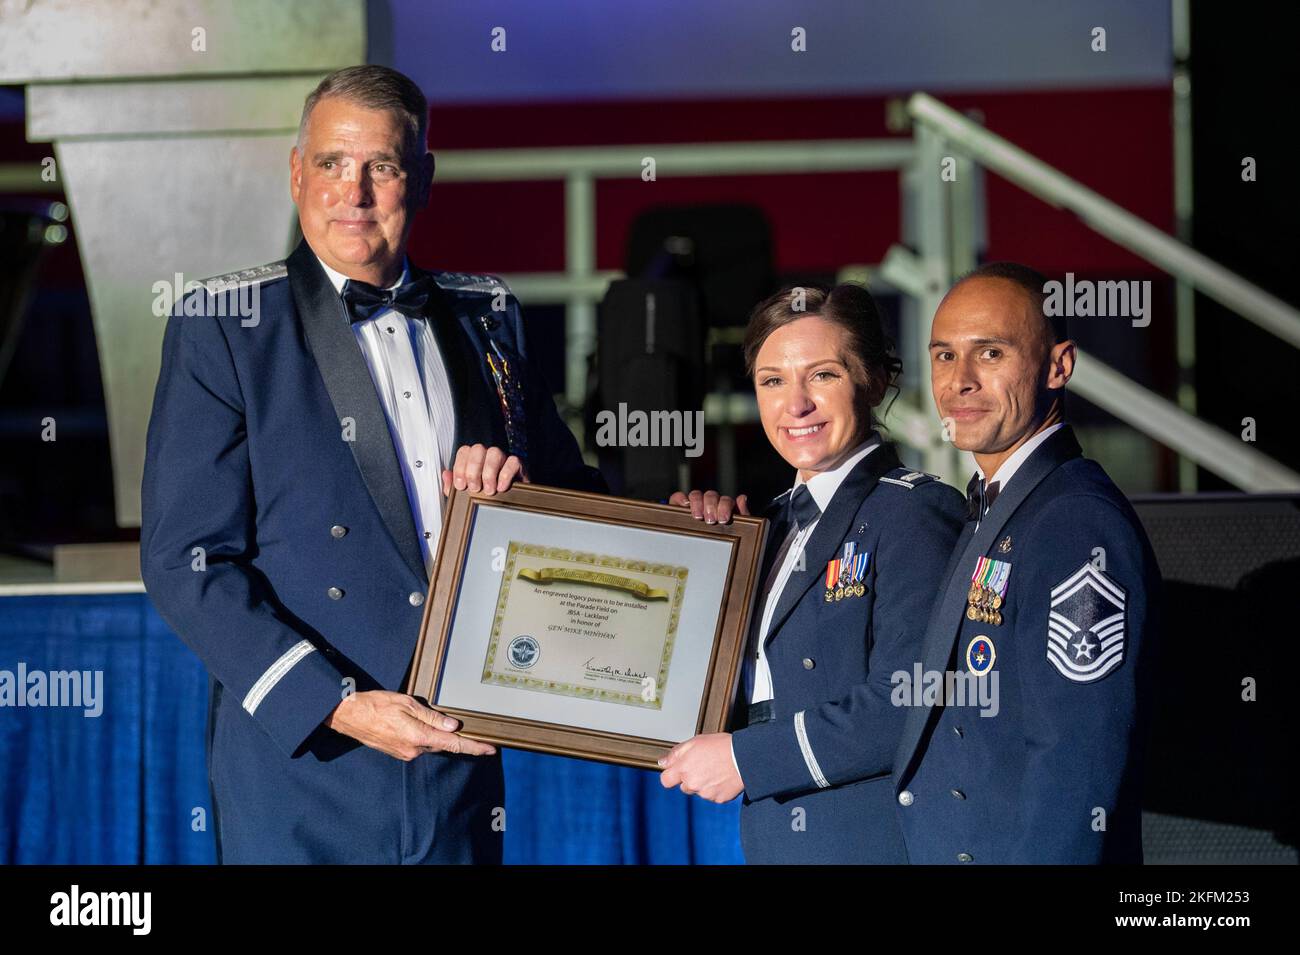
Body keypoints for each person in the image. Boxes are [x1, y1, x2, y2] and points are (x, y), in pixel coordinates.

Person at [139, 65, 603, 864]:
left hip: (457, 761)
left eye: (381, 167)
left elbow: (567, 496)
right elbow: (187, 563)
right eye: (331, 163)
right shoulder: (225, 325)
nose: (353, 192)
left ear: (420, 181)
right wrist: (340, 706)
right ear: (296, 173)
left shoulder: (486, 315)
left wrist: (673, 522)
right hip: (310, 765)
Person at [658, 284, 965, 863]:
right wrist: (691, 560)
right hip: (777, 838)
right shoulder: (761, 528)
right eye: (772, 380)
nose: (794, 404)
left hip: (870, 845)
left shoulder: (912, 512)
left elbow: (913, 699)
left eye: (822, 375)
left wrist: (748, 759)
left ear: (873, 381)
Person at [892, 262, 1161, 863]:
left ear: (1058, 366)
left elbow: (1077, 759)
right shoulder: (998, 504)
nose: (958, 381)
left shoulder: (1074, 521)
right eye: (943, 356)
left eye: (990, 354)